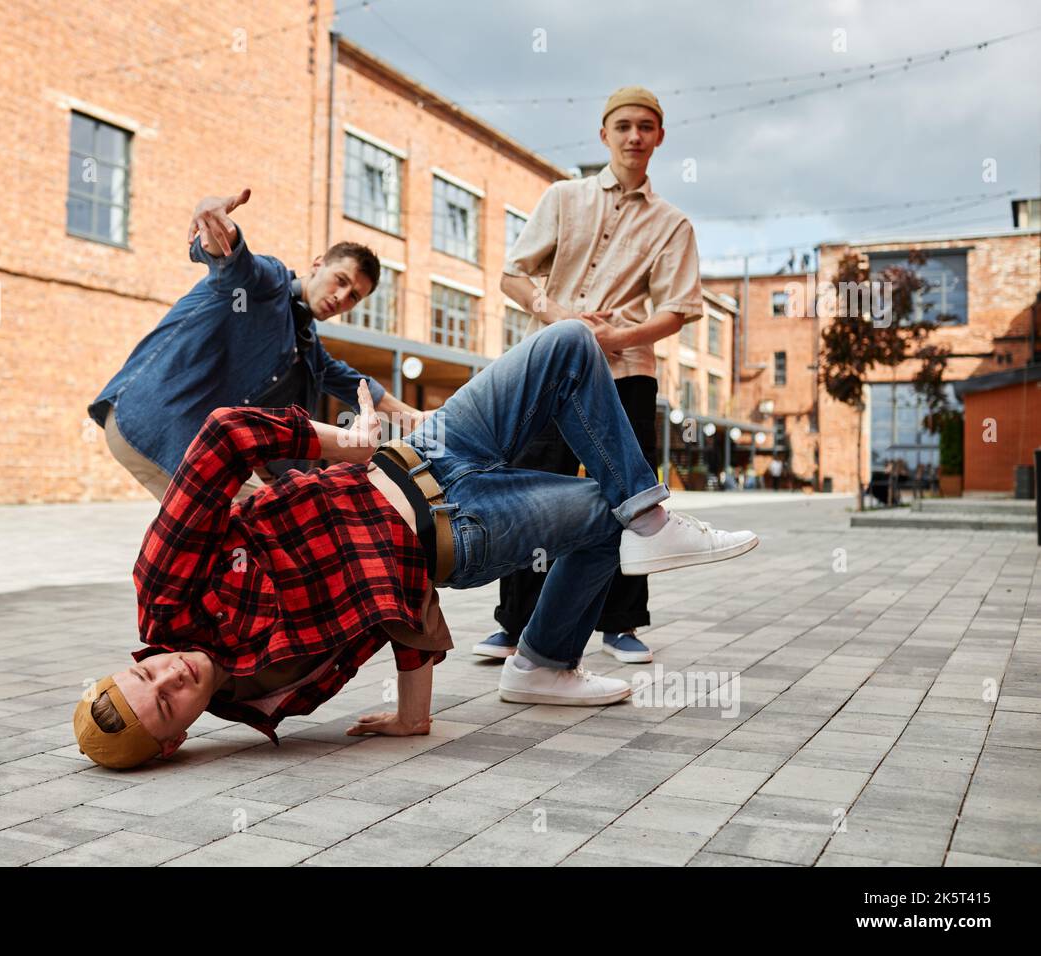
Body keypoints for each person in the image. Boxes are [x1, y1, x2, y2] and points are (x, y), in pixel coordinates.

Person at [73, 319, 758, 770]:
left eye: (144, 674)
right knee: (601, 514)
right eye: (164, 701)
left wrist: (343, 443)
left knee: (569, 343)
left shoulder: (165, 590)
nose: (169, 677)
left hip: (417, 451)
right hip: (457, 531)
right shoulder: (273, 695)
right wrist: (413, 716)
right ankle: (545, 660)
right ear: (176, 740)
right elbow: (394, 603)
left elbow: (225, 435)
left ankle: (652, 521)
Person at [476, 85, 704, 668]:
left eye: (646, 127)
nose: (634, 136)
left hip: (627, 373)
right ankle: (514, 622)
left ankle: (622, 622)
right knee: (531, 488)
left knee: (628, 493)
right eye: (623, 125)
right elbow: (514, 276)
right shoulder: (562, 197)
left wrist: (614, 339)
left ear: (659, 137)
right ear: (604, 134)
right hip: (549, 370)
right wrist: (564, 324)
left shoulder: (674, 225)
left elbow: (676, 310)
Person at [87, 187, 425, 501]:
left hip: (190, 443)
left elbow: (352, 383)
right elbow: (234, 263)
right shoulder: (268, 284)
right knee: (266, 527)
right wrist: (217, 227)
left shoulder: (305, 343)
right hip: (158, 422)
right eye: (341, 281)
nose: (341, 297)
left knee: (268, 524)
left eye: (353, 296)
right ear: (318, 264)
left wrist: (414, 418)